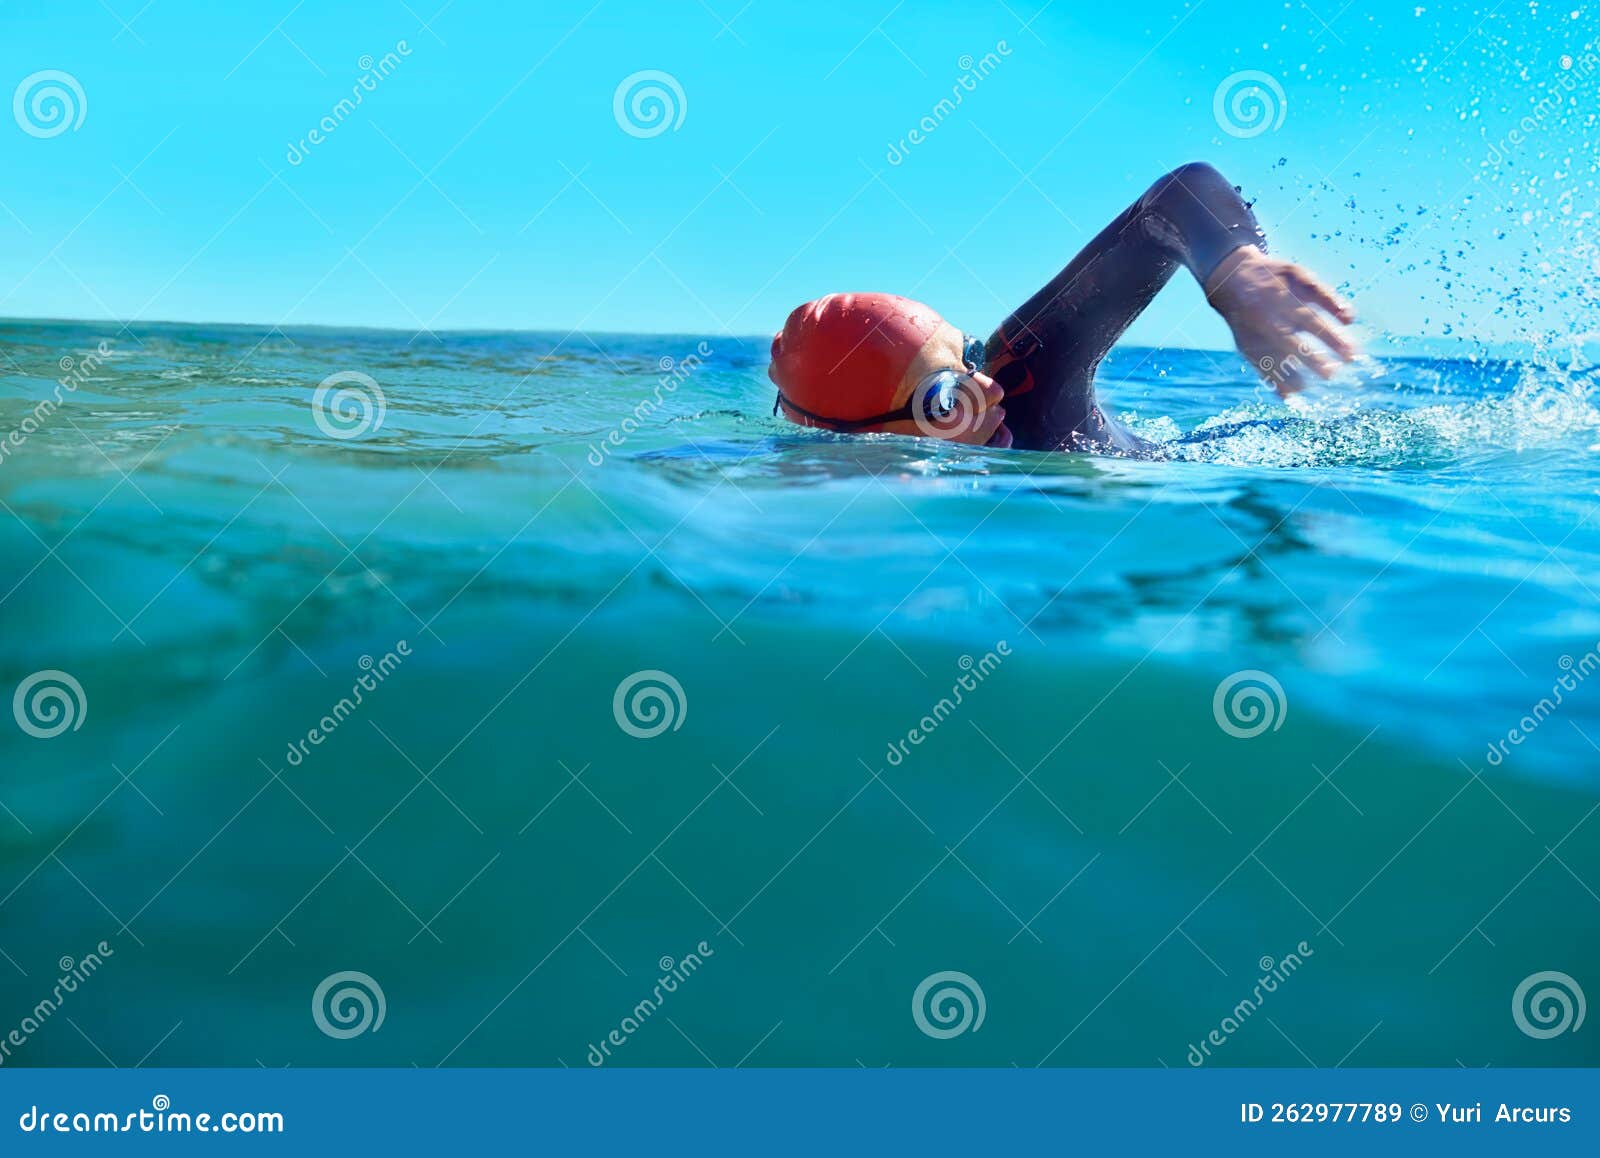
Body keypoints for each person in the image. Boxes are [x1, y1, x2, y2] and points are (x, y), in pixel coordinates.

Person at [766, 162, 1357, 455]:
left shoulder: (1023, 386)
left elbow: (1177, 196)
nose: (987, 386)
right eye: (945, 398)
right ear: (865, 440)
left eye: (967, 357)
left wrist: (1236, 272)